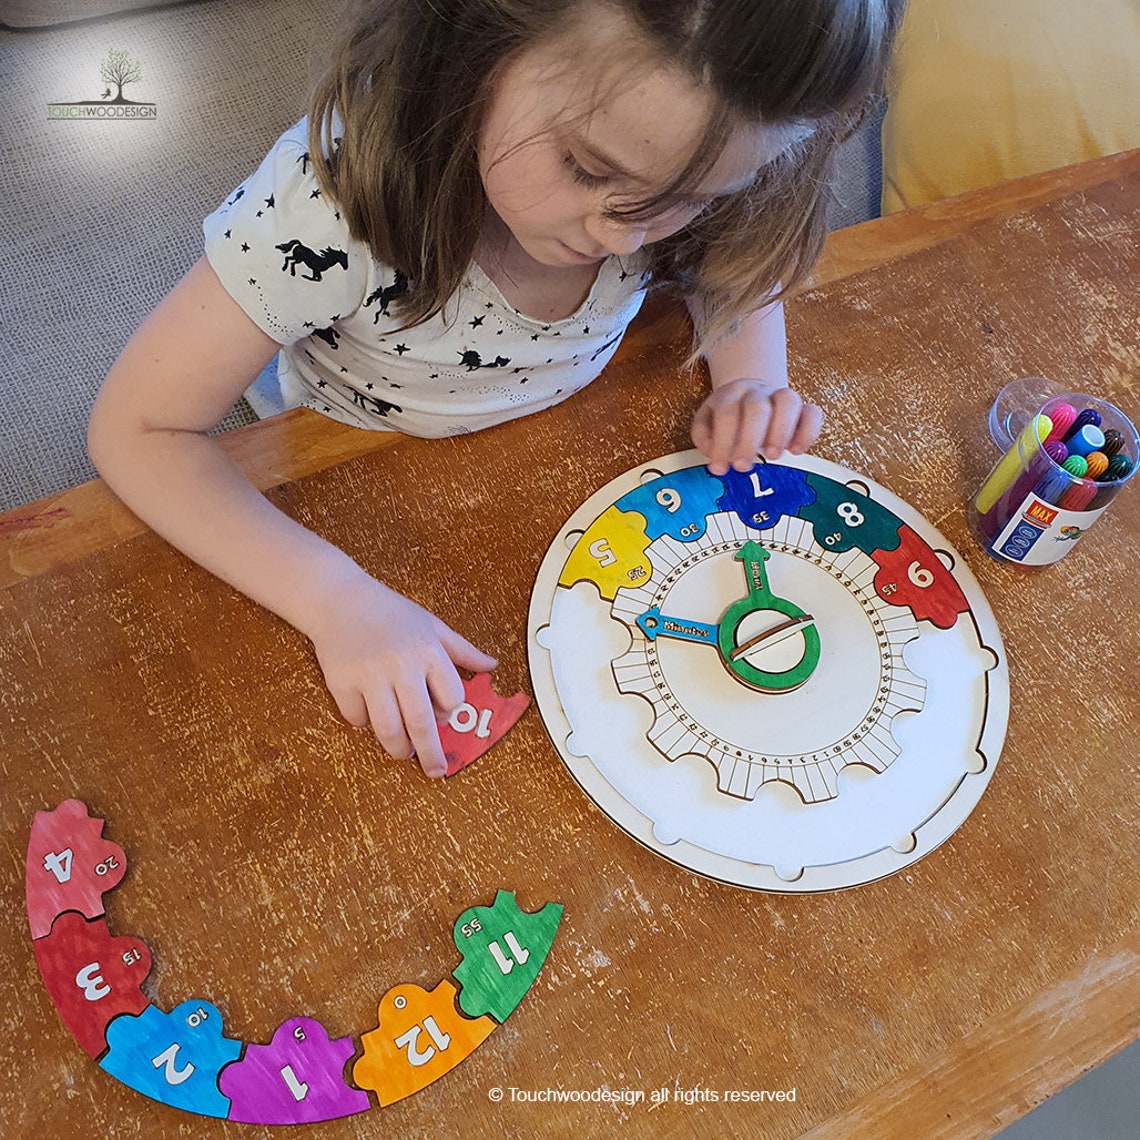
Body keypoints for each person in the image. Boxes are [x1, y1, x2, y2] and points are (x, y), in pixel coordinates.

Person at [88, 0, 903, 779]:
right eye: (587, 168)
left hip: (552, 442)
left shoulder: (710, 141)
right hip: (354, 451)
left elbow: (737, 268)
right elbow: (138, 431)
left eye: (693, 199)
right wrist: (338, 601)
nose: (625, 234)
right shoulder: (325, 201)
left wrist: (751, 374)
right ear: (469, 47)